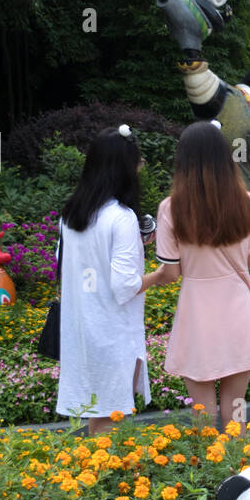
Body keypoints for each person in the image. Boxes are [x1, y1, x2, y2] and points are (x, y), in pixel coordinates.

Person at [147, 121, 250, 431]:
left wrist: (139, 284)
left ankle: (209, 469)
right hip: (238, 311)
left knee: (202, 410)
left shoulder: (171, 208)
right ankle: (238, 457)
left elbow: (171, 271)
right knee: (237, 403)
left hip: (196, 315)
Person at [55, 125, 154, 435]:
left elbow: (67, 264)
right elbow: (124, 286)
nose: (141, 167)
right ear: (124, 168)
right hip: (114, 331)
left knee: (98, 414)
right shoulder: (120, 217)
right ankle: (101, 480)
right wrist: (161, 275)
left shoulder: (70, 215)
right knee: (110, 416)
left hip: (82, 328)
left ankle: (93, 476)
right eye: (137, 162)